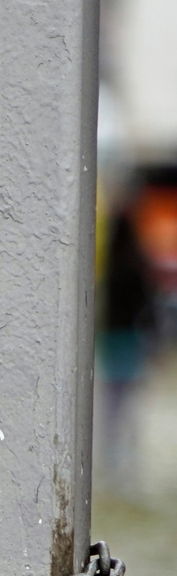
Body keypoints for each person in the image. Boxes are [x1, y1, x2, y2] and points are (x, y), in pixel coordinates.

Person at [98, 163, 176, 487]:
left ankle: (119, 458)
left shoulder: (119, 264)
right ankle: (119, 459)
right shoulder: (131, 266)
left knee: (118, 400)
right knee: (121, 400)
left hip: (119, 333)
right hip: (125, 334)